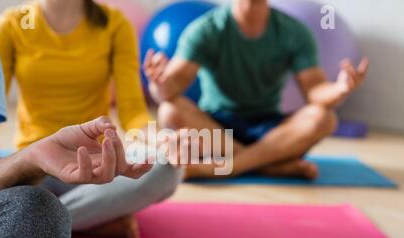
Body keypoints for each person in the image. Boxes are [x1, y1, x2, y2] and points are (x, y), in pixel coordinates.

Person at [0, 8, 151, 238]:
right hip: (32, 163)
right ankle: (89, 222)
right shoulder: (13, 24)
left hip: (69, 162)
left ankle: (73, 220)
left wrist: (32, 158)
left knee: (39, 216)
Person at [0, 0, 183, 238]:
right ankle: (91, 220)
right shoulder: (11, 25)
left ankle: (44, 225)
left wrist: (163, 138)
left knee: (168, 167)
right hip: (36, 168)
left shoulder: (115, 24)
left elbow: (133, 112)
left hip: (98, 168)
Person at [144, 0, 370, 179]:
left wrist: (340, 89)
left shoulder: (294, 32)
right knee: (168, 110)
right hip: (217, 127)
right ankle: (268, 165)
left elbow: (315, 91)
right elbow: (169, 90)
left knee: (324, 118)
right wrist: (159, 83)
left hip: (269, 128)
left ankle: (226, 166)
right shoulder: (205, 30)